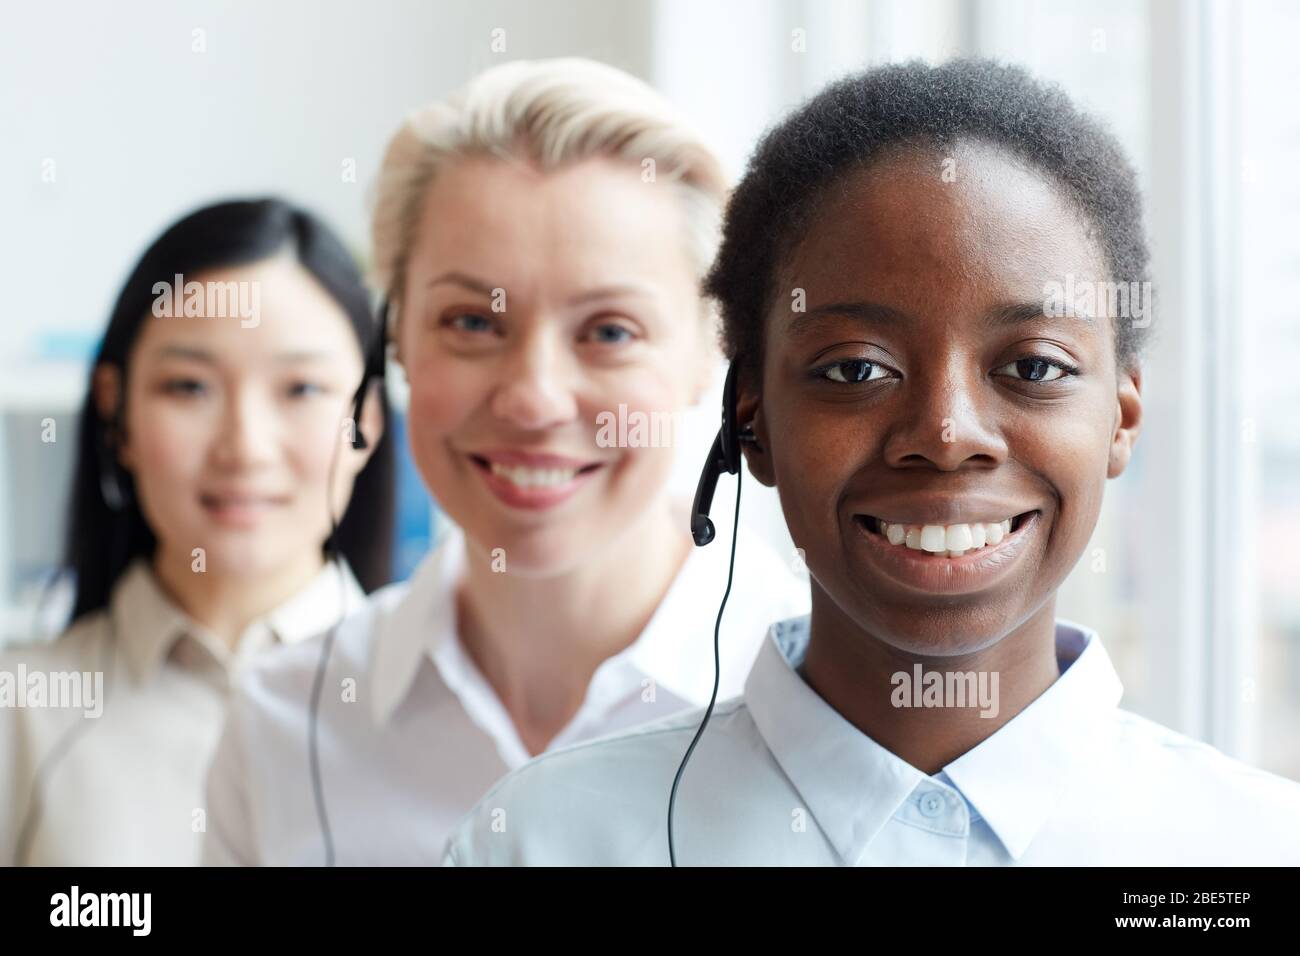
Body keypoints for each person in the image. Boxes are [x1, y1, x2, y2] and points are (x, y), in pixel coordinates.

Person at [442, 58, 1300, 866]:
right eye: (855, 369)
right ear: (751, 419)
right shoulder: (549, 842)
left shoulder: (1249, 849)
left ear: (1121, 414)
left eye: (1034, 366)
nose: (947, 432)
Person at [203, 58, 809, 865]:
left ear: (716, 354)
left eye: (610, 331)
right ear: (398, 343)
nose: (533, 399)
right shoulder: (285, 722)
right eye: (472, 322)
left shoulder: (838, 708)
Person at [0, 198, 394, 865]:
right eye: (189, 387)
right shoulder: (22, 716)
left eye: (300, 389)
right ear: (114, 408)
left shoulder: (444, 700)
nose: (244, 447)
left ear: (369, 420)